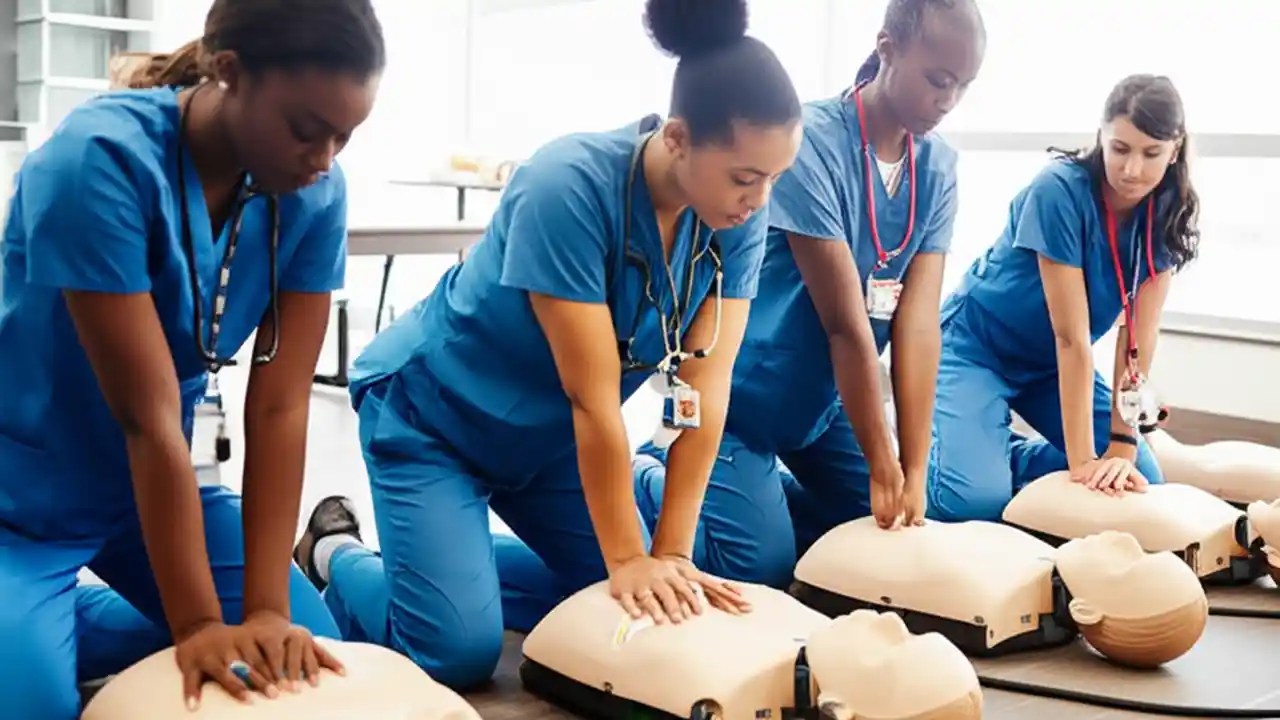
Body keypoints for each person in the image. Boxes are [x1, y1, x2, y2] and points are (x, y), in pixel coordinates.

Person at [290, 0, 803, 690]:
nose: (759, 200)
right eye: (746, 177)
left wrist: (669, 554)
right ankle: (336, 553)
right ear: (679, 137)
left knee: (641, 602)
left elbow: (707, 391)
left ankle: (444, 567)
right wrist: (630, 558)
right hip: (435, 420)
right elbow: (592, 399)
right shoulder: (567, 185)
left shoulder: (733, 218)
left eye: (774, 178)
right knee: (458, 654)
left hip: (547, 441)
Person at [0, 1, 385, 717]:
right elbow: (145, 418)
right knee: (31, 703)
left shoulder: (313, 191)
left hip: (162, 483)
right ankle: (39, 619)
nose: (324, 160)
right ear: (229, 73)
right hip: (24, 495)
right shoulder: (98, 161)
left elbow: (279, 405)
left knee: (305, 652)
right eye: (307, 131)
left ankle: (43, 621)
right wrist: (200, 626)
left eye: (345, 136)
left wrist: (267, 609)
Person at [632, 0, 986, 589]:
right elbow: (846, 324)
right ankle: (651, 470)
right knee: (760, 568)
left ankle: (760, 503)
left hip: (825, 406)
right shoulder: (808, 143)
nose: (947, 100)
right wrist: (881, 461)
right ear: (888, 49)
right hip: (744, 400)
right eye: (937, 80)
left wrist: (913, 465)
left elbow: (919, 325)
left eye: (962, 87)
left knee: (889, 528)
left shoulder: (940, 167)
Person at [927, 74, 1200, 522]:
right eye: (1120, 148)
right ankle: (959, 456)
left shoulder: (1167, 212)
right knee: (972, 503)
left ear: (1175, 149)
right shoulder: (1058, 190)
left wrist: (1122, 444)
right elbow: (1071, 337)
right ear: (1101, 136)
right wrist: (1081, 463)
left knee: (1141, 477)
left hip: (1048, 367)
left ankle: (998, 456)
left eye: (1151, 153)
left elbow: (1139, 337)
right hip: (974, 347)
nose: (1132, 169)